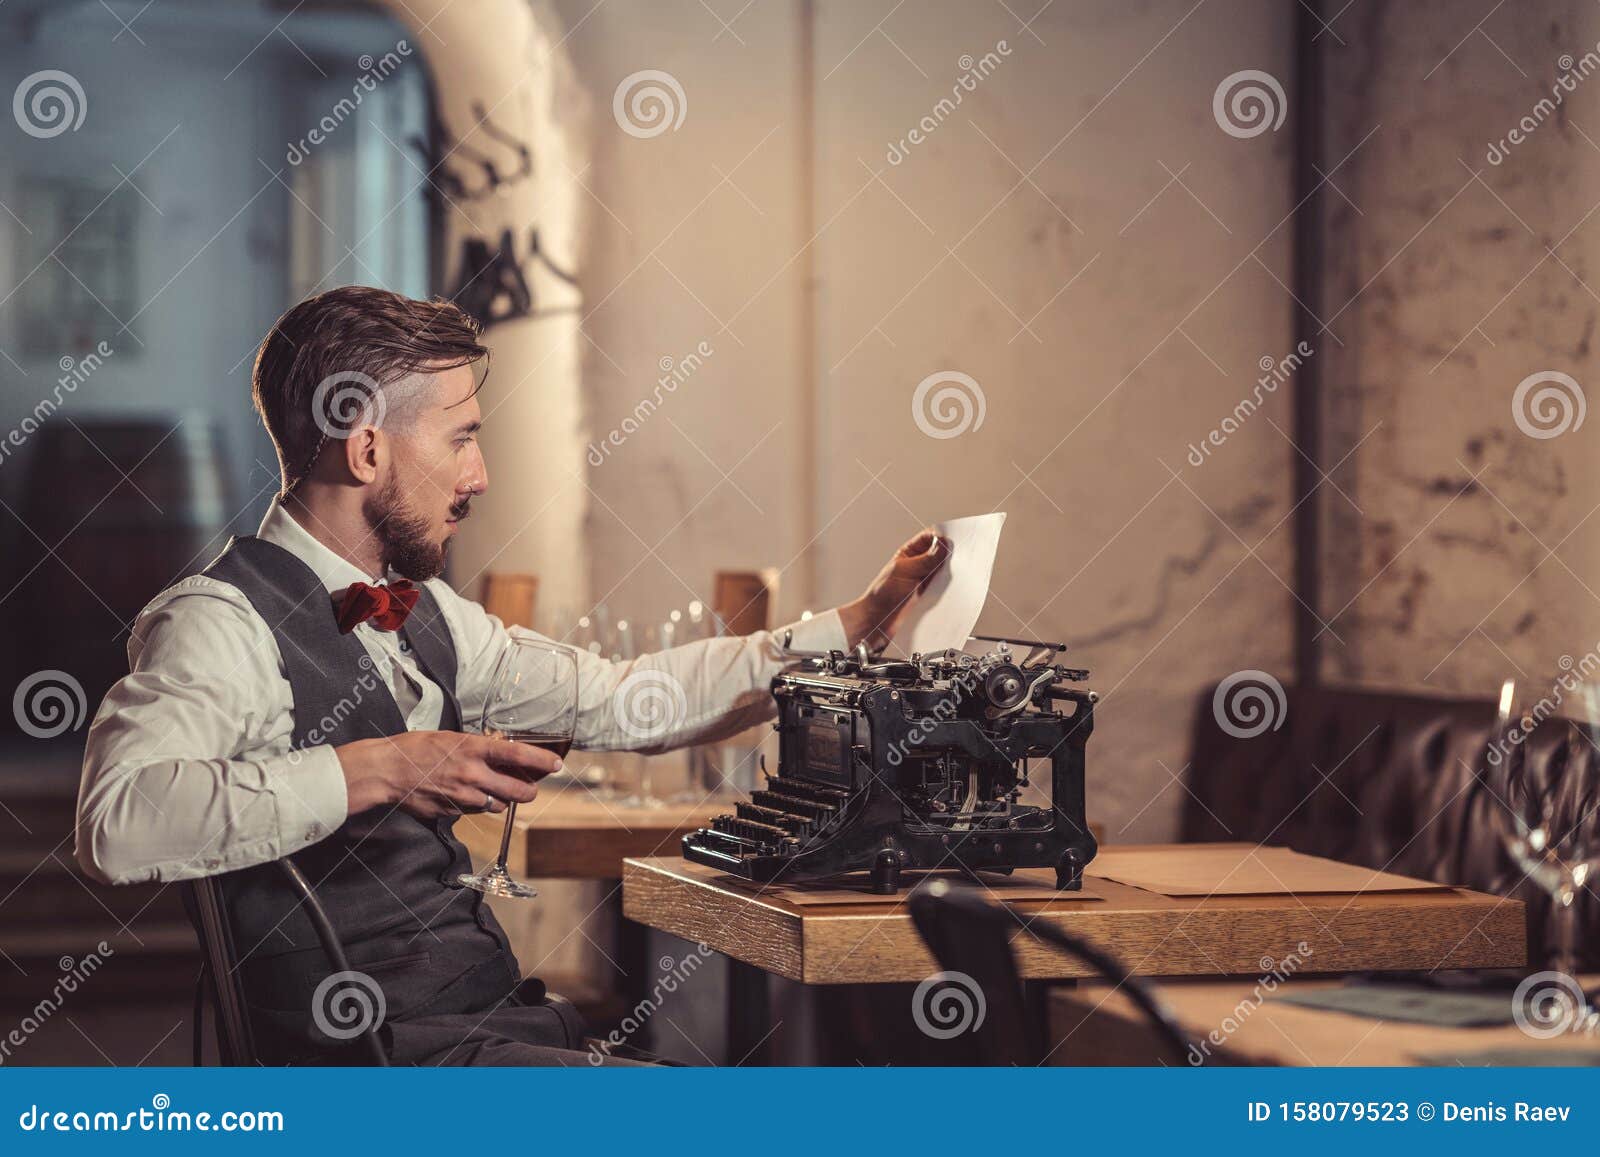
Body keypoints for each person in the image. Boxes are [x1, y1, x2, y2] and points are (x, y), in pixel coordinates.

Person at [74, 285, 948, 1066]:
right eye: (461, 440)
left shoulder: (426, 612)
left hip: (495, 1034)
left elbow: (622, 697)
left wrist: (855, 625)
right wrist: (388, 764)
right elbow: (116, 822)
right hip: (380, 1072)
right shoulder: (217, 621)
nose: (479, 476)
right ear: (368, 450)